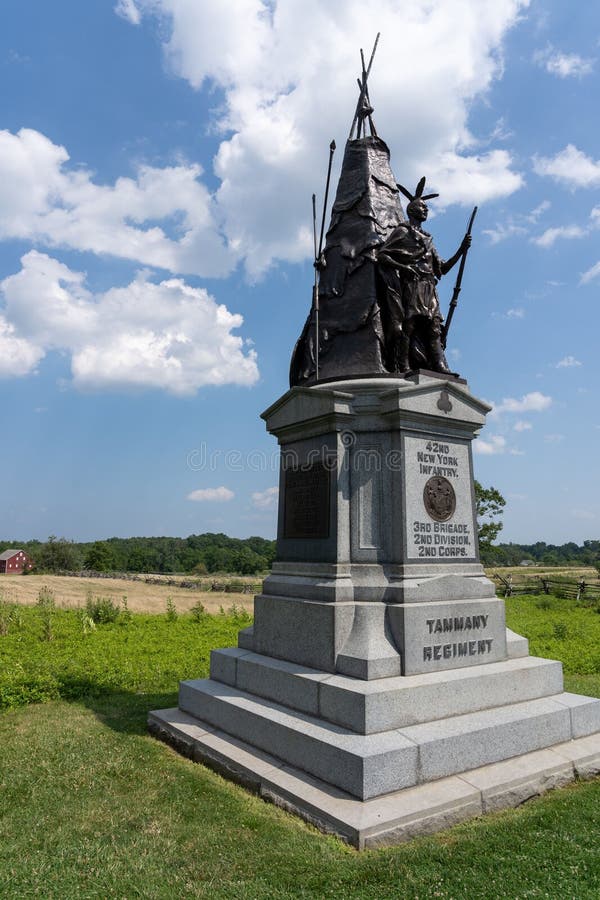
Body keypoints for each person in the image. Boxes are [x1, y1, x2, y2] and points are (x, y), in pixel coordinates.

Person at [377, 177, 471, 374]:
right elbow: (383, 255)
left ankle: (439, 366)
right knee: (409, 325)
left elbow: (442, 268)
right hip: (412, 283)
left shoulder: (428, 239)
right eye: (422, 207)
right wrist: (403, 267)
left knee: (434, 327)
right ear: (412, 209)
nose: (426, 210)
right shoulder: (403, 232)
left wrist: (461, 249)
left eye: (426, 207)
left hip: (429, 286)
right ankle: (403, 365)